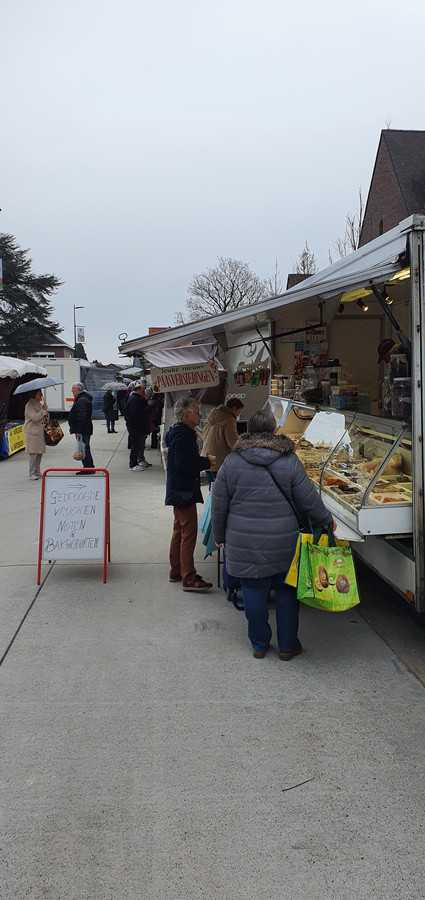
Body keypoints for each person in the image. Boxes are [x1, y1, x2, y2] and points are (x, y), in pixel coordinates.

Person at [211, 409, 334, 660]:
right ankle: (288, 646)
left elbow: (219, 505)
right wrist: (325, 520)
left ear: (248, 431)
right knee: (286, 591)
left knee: (253, 590)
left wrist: (219, 535)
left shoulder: (232, 462)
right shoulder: (289, 460)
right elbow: (308, 499)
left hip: (244, 542)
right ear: (274, 431)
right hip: (284, 541)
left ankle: (259, 644)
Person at [165, 397, 215, 592]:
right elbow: (183, 464)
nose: (200, 416)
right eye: (197, 412)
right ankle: (189, 577)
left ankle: (176, 570)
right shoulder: (182, 434)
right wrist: (204, 462)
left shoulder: (180, 432)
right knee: (188, 533)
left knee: (179, 530)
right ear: (187, 415)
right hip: (183, 490)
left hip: (178, 488)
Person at [201, 397, 244, 489]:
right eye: (239, 411)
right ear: (234, 409)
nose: (238, 415)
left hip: (207, 458)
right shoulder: (229, 420)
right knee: (221, 490)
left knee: (212, 489)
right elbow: (233, 443)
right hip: (219, 461)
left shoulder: (211, 416)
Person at [68, 382, 95, 472]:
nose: (72, 390)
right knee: (85, 447)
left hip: (83, 430)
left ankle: (88, 467)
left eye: (73, 388)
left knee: (84, 448)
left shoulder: (82, 400)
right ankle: (89, 466)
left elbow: (82, 416)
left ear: (79, 389)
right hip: (84, 428)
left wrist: (79, 430)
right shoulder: (81, 399)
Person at [125, 381, 151, 471]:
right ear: (138, 390)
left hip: (137, 425)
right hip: (135, 426)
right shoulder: (134, 399)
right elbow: (136, 413)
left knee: (138, 444)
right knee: (135, 445)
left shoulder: (138, 399)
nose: (144, 392)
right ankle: (133, 464)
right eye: (142, 390)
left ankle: (136, 462)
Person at [24, 389, 49, 480]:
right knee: (33, 453)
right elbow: (34, 418)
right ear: (33, 395)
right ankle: (32, 473)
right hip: (32, 433)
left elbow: (43, 416)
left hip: (40, 432)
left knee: (39, 452)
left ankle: (38, 471)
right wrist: (43, 410)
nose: (41, 396)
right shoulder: (29, 405)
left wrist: (46, 415)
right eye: (39, 394)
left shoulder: (39, 404)